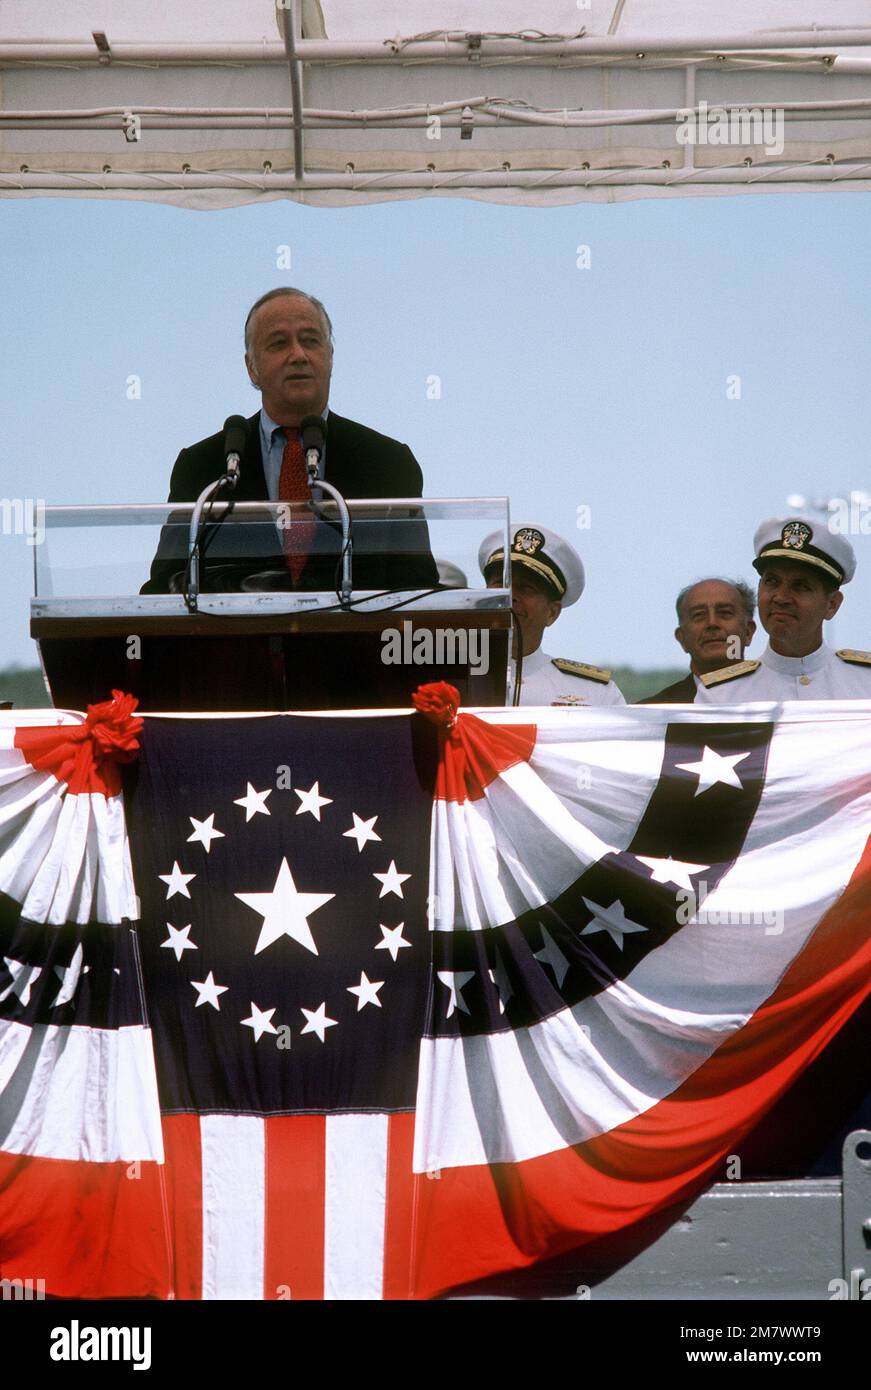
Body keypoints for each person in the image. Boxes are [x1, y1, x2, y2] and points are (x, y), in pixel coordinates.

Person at [143, 287, 436, 592]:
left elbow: (417, 591)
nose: (298, 355)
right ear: (252, 368)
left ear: (330, 356)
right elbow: (165, 589)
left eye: (310, 341)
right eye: (279, 344)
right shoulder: (203, 465)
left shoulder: (388, 462)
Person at [696, 515, 871, 701]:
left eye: (800, 586)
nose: (780, 598)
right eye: (772, 581)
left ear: (832, 605)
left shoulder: (864, 684)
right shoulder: (720, 695)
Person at [479, 524, 625, 707]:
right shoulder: (449, 677)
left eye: (526, 588)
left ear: (552, 613)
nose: (510, 596)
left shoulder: (595, 693)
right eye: (501, 585)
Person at [640, 578, 756, 704]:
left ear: (748, 632)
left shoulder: (776, 700)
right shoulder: (653, 714)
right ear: (682, 638)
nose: (712, 623)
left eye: (724, 613)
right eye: (699, 615)